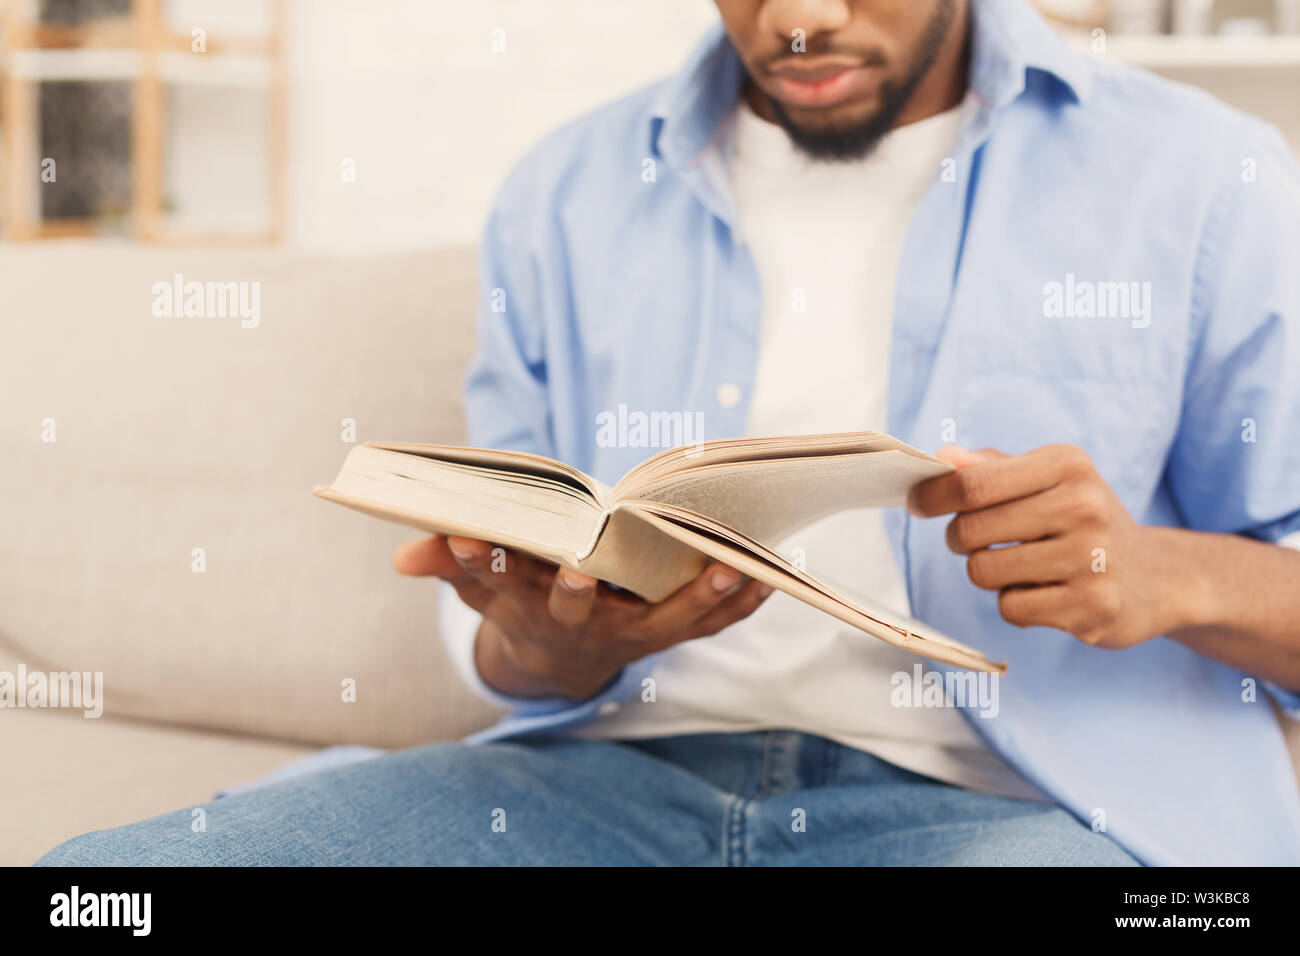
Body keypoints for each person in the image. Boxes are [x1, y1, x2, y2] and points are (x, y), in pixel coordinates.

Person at [40, 0, 1300, 867]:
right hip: (604, 782)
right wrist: (541, 638)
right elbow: (511, 613)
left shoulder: (1202, 181)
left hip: (1016, 812)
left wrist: (1170, 573)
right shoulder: (566, 192)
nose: (795, 19)